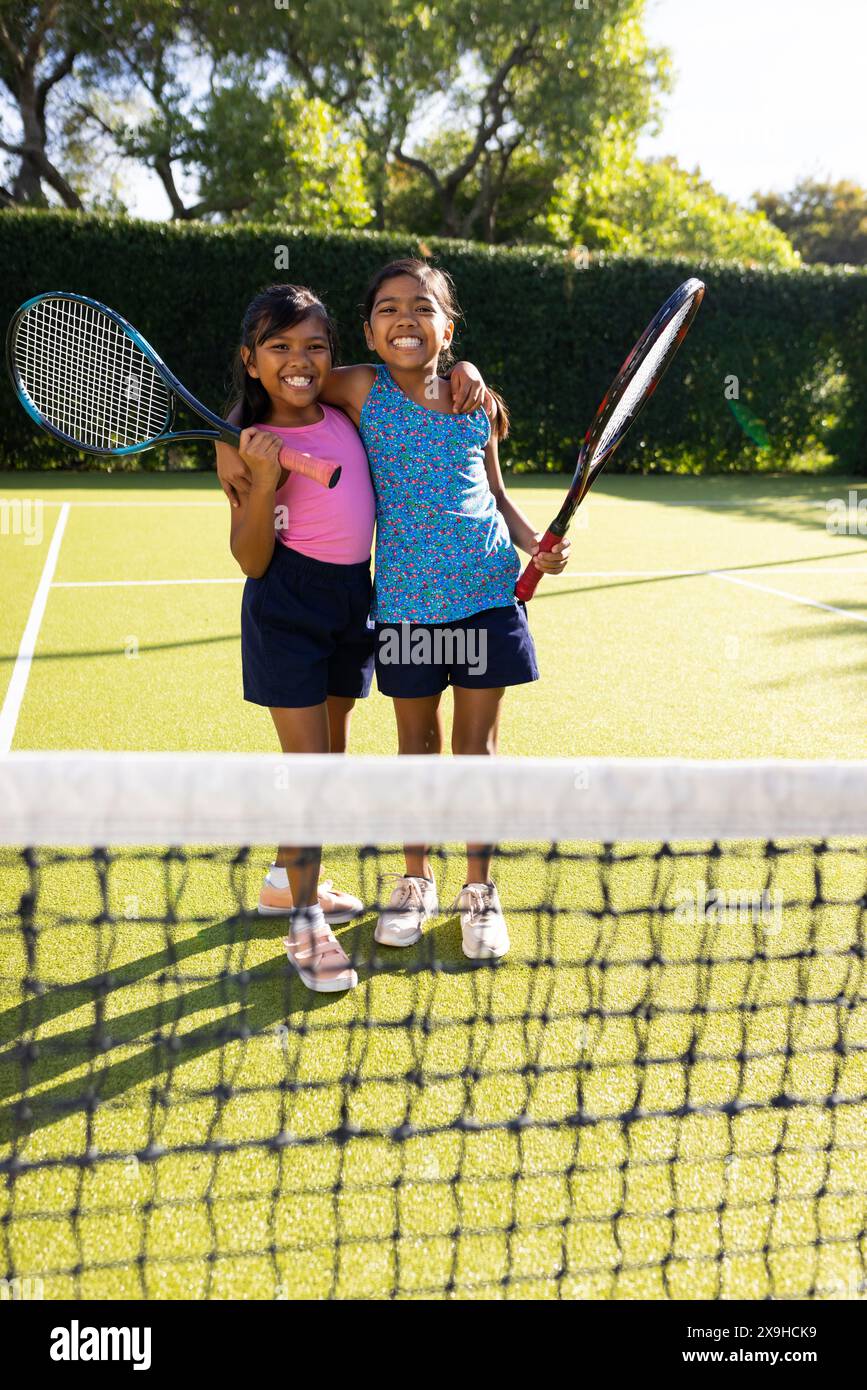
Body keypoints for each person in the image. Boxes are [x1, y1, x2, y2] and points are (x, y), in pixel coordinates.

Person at [217, 281, 489, 990]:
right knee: (308, 770)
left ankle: (284, 879)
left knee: (330, 760)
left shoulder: (344, 408)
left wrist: (469, 371)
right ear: (251, 361)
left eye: (314, 347)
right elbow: (249, 559)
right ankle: (304, 921)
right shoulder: (241, 446)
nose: (299, 361)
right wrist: (266, 477)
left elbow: (415, 383)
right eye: (279, 348)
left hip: (352, 602)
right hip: (285, 605)